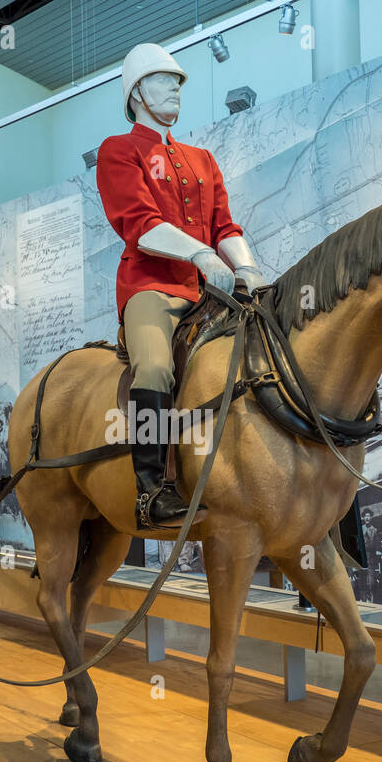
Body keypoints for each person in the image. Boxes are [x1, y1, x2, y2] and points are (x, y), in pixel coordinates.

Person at [96, 42, 267, 529]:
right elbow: (139, 223)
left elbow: (225, 226)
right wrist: (198, 253)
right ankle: (152, 489)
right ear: (136, 92)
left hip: (210, 287)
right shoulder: (118, 150)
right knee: (153, 368)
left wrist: (247, 268)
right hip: (152, 286)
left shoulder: (202, 159)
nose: (175, 86)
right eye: (163, 79)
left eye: (177, 81)